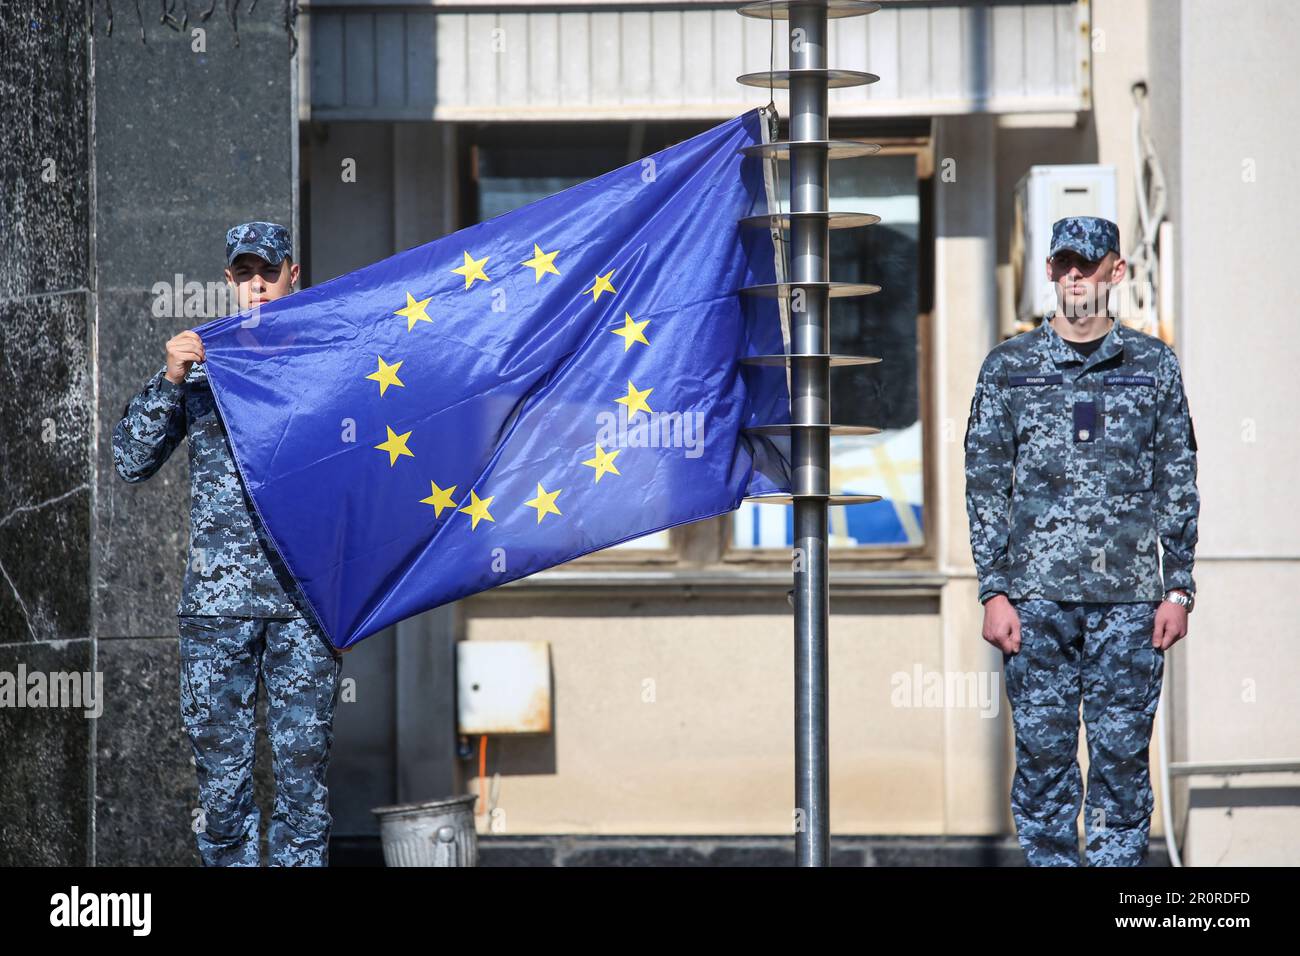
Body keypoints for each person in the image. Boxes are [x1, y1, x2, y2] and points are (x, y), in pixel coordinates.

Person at [963, 215, 1200, 866]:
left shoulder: (1152, 366)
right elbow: (985, 483)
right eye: (1064, 263)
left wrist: (1178, 585)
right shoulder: (1010, 369)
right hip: (1037, 603)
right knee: (1043, 762)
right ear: (1047, 271)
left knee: (1121, 765)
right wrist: (994, 589)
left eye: (1088, 264)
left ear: (1115, 273)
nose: (1075, 276)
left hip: (1128, 603)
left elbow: (1176, 476)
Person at [113, 221, 344, 867]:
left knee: (302, 786)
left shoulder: (328, 360)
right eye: (245, 275)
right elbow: (130, 461)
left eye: (268, 272)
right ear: (229, 283)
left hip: (305, 604)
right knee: (223, 789)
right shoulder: (201, 365)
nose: (258, 287)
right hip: (219, 609)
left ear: (293, 273)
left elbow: (361, 476)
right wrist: (169, 379)